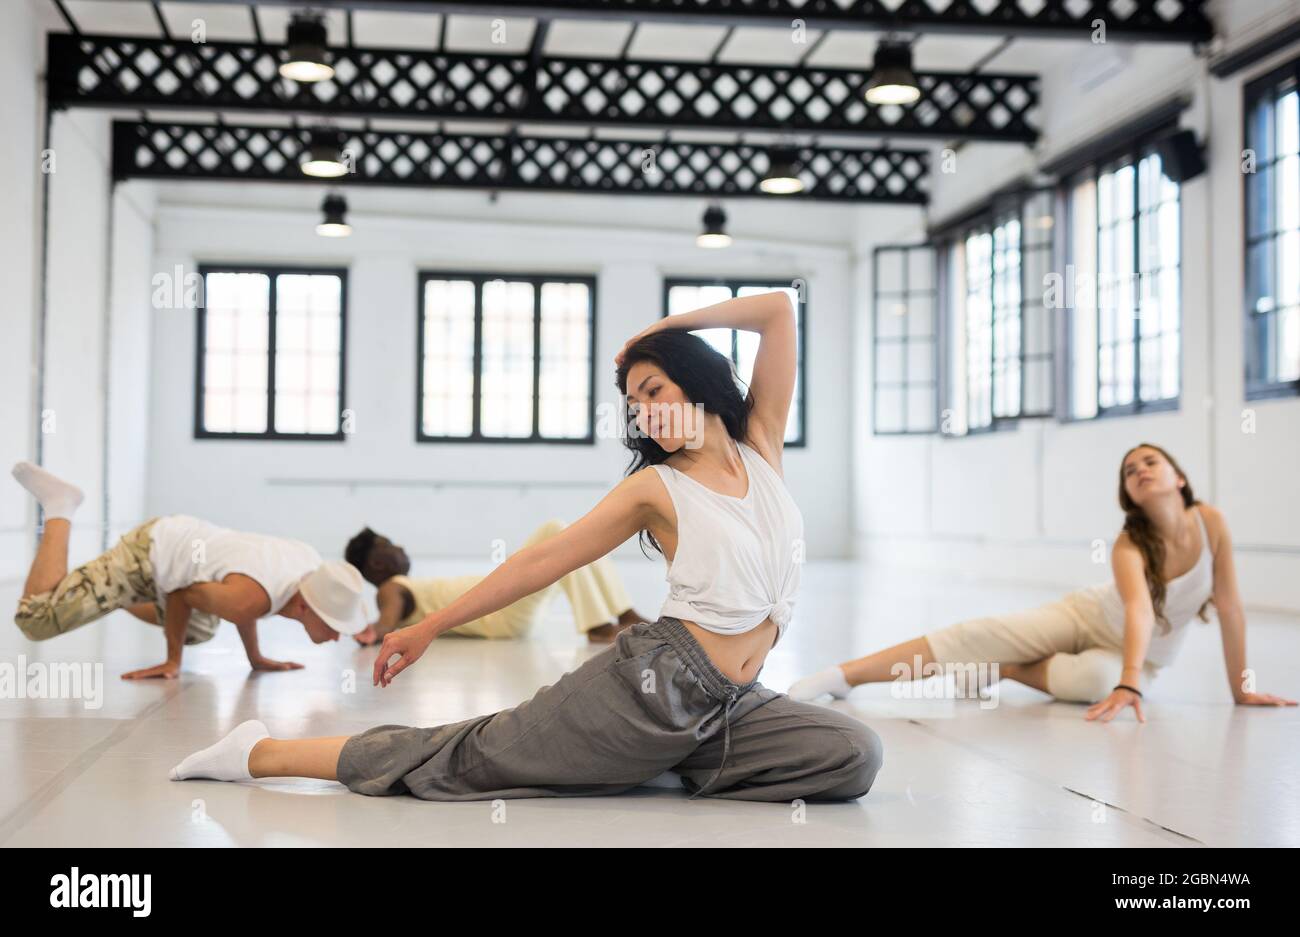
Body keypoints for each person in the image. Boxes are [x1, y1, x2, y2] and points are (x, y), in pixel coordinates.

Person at [170, 290, 884, 801]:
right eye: (633, 403)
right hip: (654, 689)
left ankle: (644, 764)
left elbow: (777, 311)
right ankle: (259, 753)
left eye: (654, 388)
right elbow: (541, 561)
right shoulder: (656, 488)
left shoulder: (761, 445)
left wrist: (663, 325)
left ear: (694, 379)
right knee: (472, 758)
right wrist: (428, 625)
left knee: (852, 753)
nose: (643, 412)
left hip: (731, 704)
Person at [790, 443, 1297, 722]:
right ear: (1128, 494)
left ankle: (1005, 668)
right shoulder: (1129, 543)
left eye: (1151, 462)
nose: (1141, 470)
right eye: (1130, 470)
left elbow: (1230, 607)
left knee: (1095, 684)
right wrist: (1130, 681)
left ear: (1178, 478)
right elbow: (1139, 610)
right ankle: (843, 676)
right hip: (1086, 617)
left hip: (1140, 655)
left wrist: (1241, 691)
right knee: (975, 636)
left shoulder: (1211, 522)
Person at [11, 462, 366, 679]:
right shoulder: (248, 599)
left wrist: (255, 658)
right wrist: (172, 662)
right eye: (334, 627)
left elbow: (249, 597)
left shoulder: (309, 567)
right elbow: (184, 594)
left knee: (198, 630)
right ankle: (60, 505)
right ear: (304, 606)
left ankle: (101, 594)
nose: (337, 638)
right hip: (147, 555)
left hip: (183, 550)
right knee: (36, 620)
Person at [344, 520, 648, 645]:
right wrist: (375, 632)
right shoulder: (391, 589)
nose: (399, 547)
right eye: (390, 545)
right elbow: (387, 620)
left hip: (507, 611)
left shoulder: (401, 587)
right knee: (556, 531)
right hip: (502, 613)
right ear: (378, 563)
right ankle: (602, 625)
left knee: (574, 542)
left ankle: (624, 613)